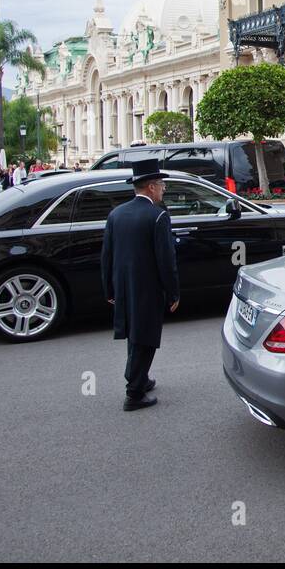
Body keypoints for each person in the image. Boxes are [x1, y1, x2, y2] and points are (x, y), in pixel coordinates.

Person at [101, 159, 180, 412]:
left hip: (124, 285)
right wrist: (173, 292)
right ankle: (134, 392)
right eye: (161, 185)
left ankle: (141, 379)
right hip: (148, 287)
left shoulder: (116, 214)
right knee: (145, 337)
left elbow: (107, 256)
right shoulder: (157, 216)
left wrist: (109, 289)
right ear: (151, 188)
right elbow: (166, 260)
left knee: (134, 334)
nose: (164, 189)